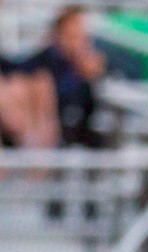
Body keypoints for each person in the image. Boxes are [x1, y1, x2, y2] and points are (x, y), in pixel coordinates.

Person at [17, 5, 107, 147]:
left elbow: (93, 76)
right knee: (36, 84)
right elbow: (23, 70)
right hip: (44, 112)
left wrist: (82, 58)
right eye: (74, 27)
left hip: (74, 116)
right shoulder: (48, 56)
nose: (78, 33)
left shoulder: (88, 59)